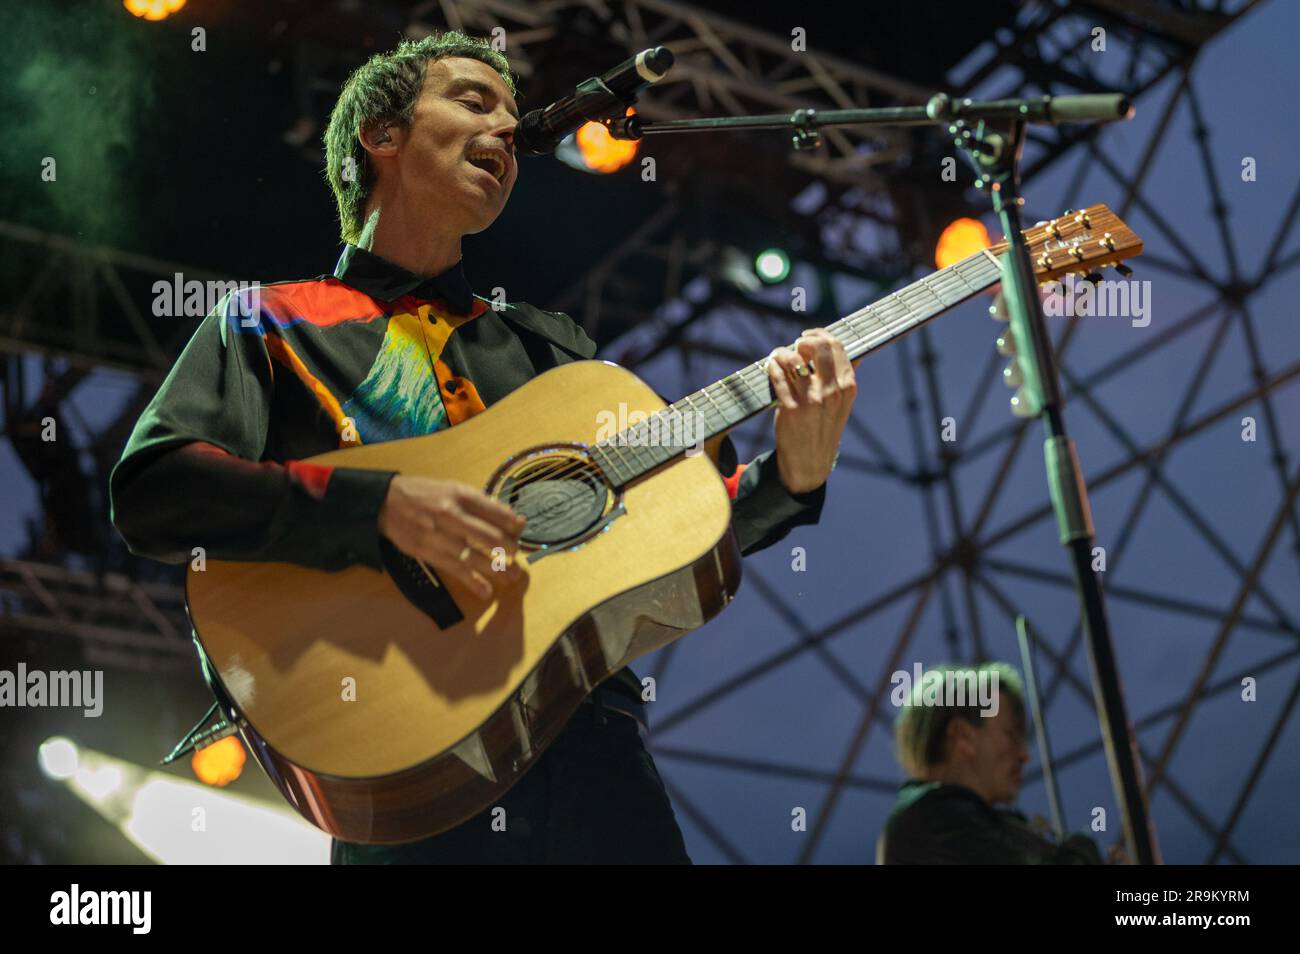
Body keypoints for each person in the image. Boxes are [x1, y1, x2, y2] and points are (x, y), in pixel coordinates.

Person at [109, 31, 859, 864]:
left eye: (512, 114)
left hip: (593, 753)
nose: (508, 130)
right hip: (399, 751)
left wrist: (793, 474)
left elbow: (676, 530)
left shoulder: (553, 349)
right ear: (382, 136)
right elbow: (155, 492)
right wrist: (379, 506)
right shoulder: (269, 321)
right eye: (473, 102)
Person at [877, 662, 1105, 864]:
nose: (1025, 756)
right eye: (1011, 735)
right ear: (962, 736)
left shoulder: (939, 823)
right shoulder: (933, 822)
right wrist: (1084, 849)